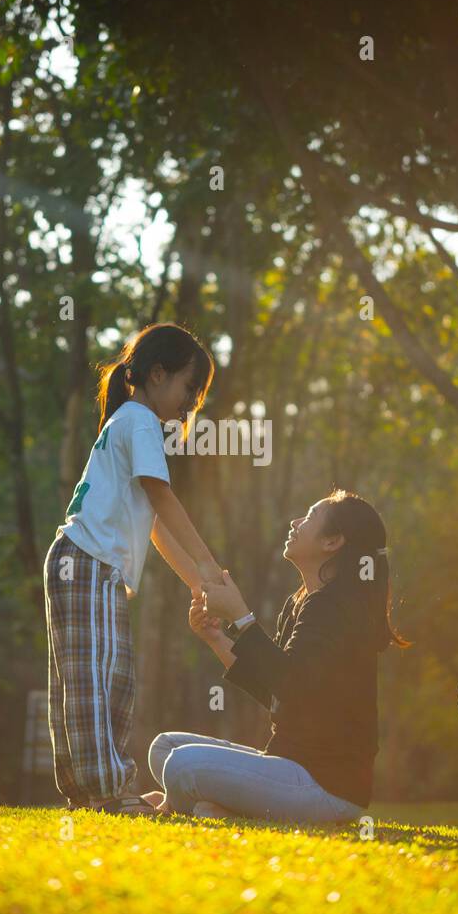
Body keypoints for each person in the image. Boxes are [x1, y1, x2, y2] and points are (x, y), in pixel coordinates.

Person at [143, 489, 410, 822]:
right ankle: (215, 809)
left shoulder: (339, 608)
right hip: (286, 766)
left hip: (325, 787)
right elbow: (275, 693)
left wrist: (241, 615)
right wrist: (215, 638)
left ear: (332, 542)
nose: (296, 522)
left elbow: (291, 684)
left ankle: (180, 807)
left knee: (181, 767)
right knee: (165, 748)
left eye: (309, 517)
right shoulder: (303, 603)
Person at [44, 323, 224, 816]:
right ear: (158, 374)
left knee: (109, 679)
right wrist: (209, 566)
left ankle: (97, 791)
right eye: (190, 387)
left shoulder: (130, 422)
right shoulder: (139, 420)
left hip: (89, 568)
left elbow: (154, 526)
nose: (192, 402)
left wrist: (195, 582)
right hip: (84, 564)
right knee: (93, 681)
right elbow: (163, 498)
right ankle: (106, 790)